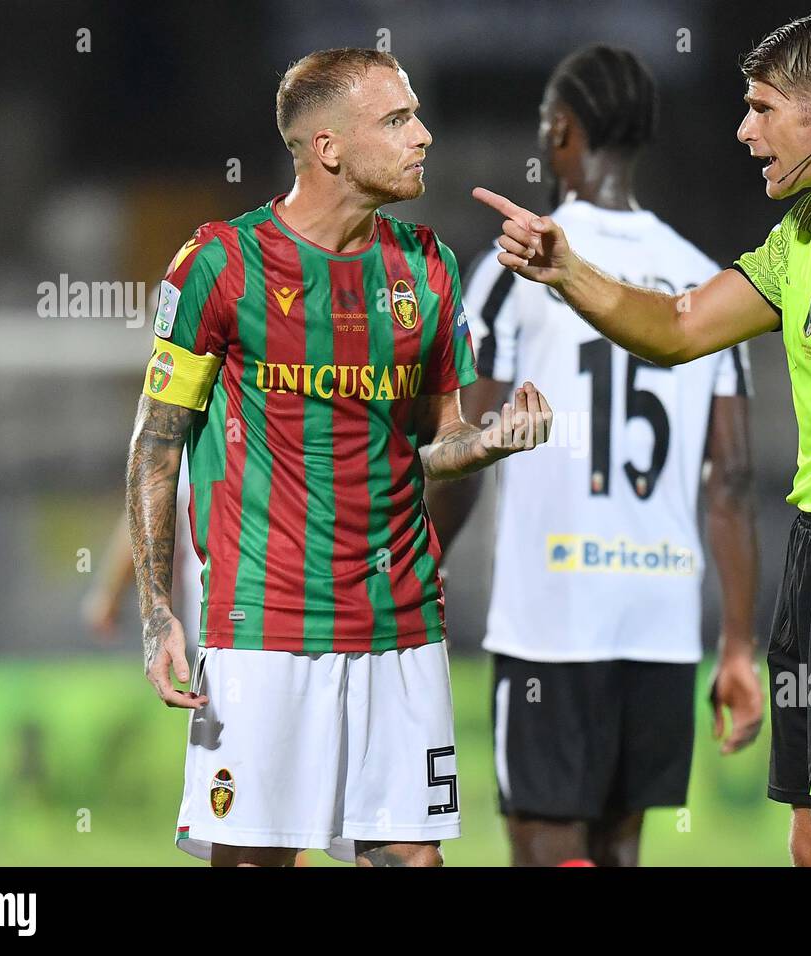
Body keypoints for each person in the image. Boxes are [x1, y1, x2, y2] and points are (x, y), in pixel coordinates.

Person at [474, 11, 811, 867]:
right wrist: (567, 270)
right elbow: (683, 325)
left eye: (764, 109)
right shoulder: (804, 227)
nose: (745, 130)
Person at [126, 47, 553, 868]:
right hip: (264, 628)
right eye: (397, 121)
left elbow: (441, 441)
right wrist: (156, 613)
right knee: (256, 859)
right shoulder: (220, 264)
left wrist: (491, 442)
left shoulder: (425, 266)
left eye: (416, 116)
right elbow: (157, 440)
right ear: (327, 148)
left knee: (410, 857)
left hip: (402, 623)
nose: (423, 135)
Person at [428, 45, 764, 867]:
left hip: (552, 615)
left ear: (561, 130)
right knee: (618, 853)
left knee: (547, 847)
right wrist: (737, 645)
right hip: (658, 620)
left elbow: (468, 444)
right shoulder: (706, 278)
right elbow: (734, 481)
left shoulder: (520, 263)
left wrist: (422, 557)